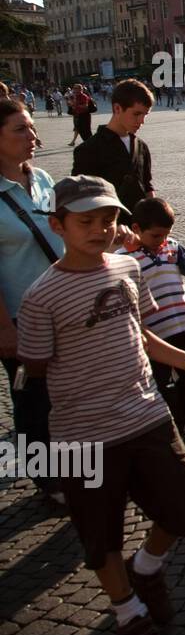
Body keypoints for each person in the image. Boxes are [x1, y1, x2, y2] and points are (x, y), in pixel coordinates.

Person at [19, 175, 185, 635]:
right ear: (57, 225)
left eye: (107, 219)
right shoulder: (40, 296)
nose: (100, 229)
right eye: (86, 221)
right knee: (100, 533)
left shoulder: (127, 269)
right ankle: (127, 610)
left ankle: (146, 567)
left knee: (184, 503)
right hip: (83, 433)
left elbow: (141, 334)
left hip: (145, 414)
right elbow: (34, 370)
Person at [0, 97, 64, 502]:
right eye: (20, 129)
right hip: (20, 317)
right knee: (32, 400)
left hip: (62, 309)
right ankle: (48, 479)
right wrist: (4, 328)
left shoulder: (42, 178)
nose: (33, 135)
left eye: (31, 126)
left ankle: (79, 468)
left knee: (66, 395)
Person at [121, 197, 185, 457]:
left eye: (167, 234)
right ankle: (180, 428)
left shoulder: (173, 248)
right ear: (136, 228)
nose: (162, 240)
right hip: (155, 335)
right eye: (156, 235)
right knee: (163, 385)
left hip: (183, 324)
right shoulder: (124, 257)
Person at [71, 79, 154, 227]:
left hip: (140, 230)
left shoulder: (141, 147)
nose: (142, 121)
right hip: (110, 234)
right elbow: (82, 199)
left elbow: (147, 187)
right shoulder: (89, 149)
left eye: (145, 115)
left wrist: (153, 220)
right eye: (136, 114)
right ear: (117, 108)